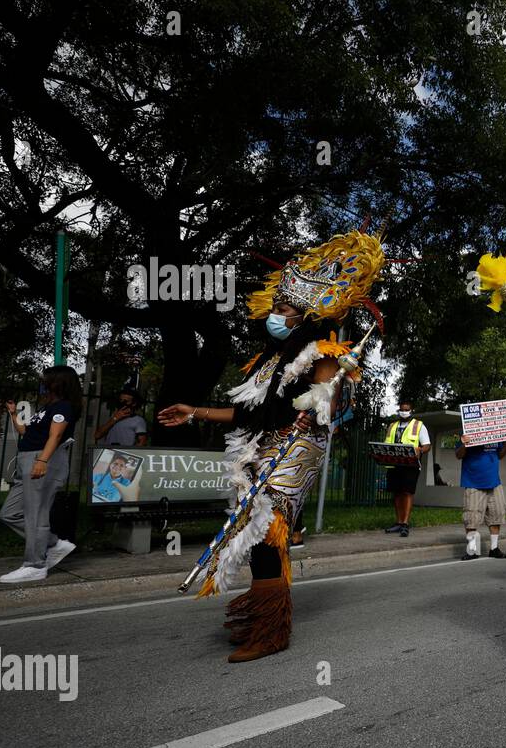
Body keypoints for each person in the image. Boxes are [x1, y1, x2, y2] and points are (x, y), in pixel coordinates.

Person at [158, 230, 384, 662]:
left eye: (284, 310)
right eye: (276, 308)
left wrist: (318, 402)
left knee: (268, 530)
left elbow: (328, 400)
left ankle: (271, 630)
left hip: (298, 448)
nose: (275, 316)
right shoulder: (266, 363)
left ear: (304, 315)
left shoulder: (323, 352)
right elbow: (248, 416)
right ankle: (266, 616)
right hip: (262, 446)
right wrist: (193, 412)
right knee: (260, 534)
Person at [0, 366, 82, 583]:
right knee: (9, 513)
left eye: (46, 379)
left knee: (36, 514)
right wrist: (13, 413)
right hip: (27, 458)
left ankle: (35, 565)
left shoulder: (64, 406)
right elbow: (27, 432)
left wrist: (42, 460)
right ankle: (54, 543)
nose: (43, 383)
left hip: (44, 459)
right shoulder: (48, 407)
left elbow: (55, 436)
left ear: (59, 382)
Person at [383, 398, 429, 537]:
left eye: (406, 410)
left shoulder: (419, 425)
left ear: (411, 410)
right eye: (402, 410)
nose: (404, 412)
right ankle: (398, 523)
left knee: (407, 492)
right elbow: (386, 444)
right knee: (396, 493)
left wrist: (420, 449)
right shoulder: (392, 426)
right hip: (394, 464)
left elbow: (427, 445)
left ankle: (405, 524)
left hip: (411, 466)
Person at [456, 436, 506, 560]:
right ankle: (472, 550)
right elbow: (458, 455)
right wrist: (464, 444)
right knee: (471, 516)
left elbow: (500, 455)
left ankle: (494, 548)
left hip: (494, 481)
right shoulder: (468, 430)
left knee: (497, 514)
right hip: (473, 481)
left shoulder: (497, 432)